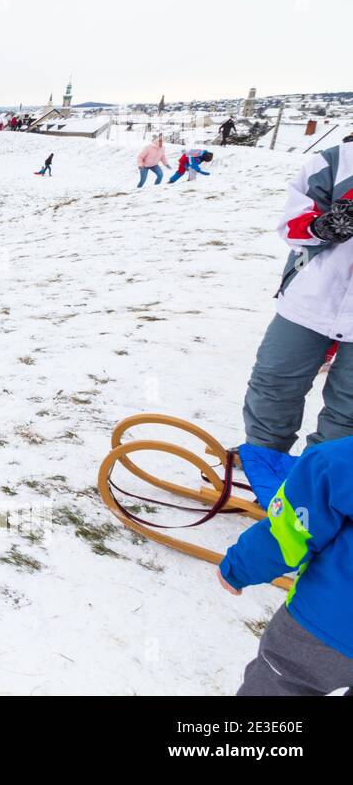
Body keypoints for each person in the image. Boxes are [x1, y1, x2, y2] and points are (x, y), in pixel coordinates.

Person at [242, 136, 353, 453]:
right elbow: (291, 223)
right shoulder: (334, 162)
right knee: (275, 381)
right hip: (310, 298)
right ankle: (262, 456)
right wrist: (323, 227)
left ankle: (323, 476)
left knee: (350, 407)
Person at [217, 438, 353, 694]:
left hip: (325, 626)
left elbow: (291, 530)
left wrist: (240, 566)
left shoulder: (339, 460)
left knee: (285, 681)